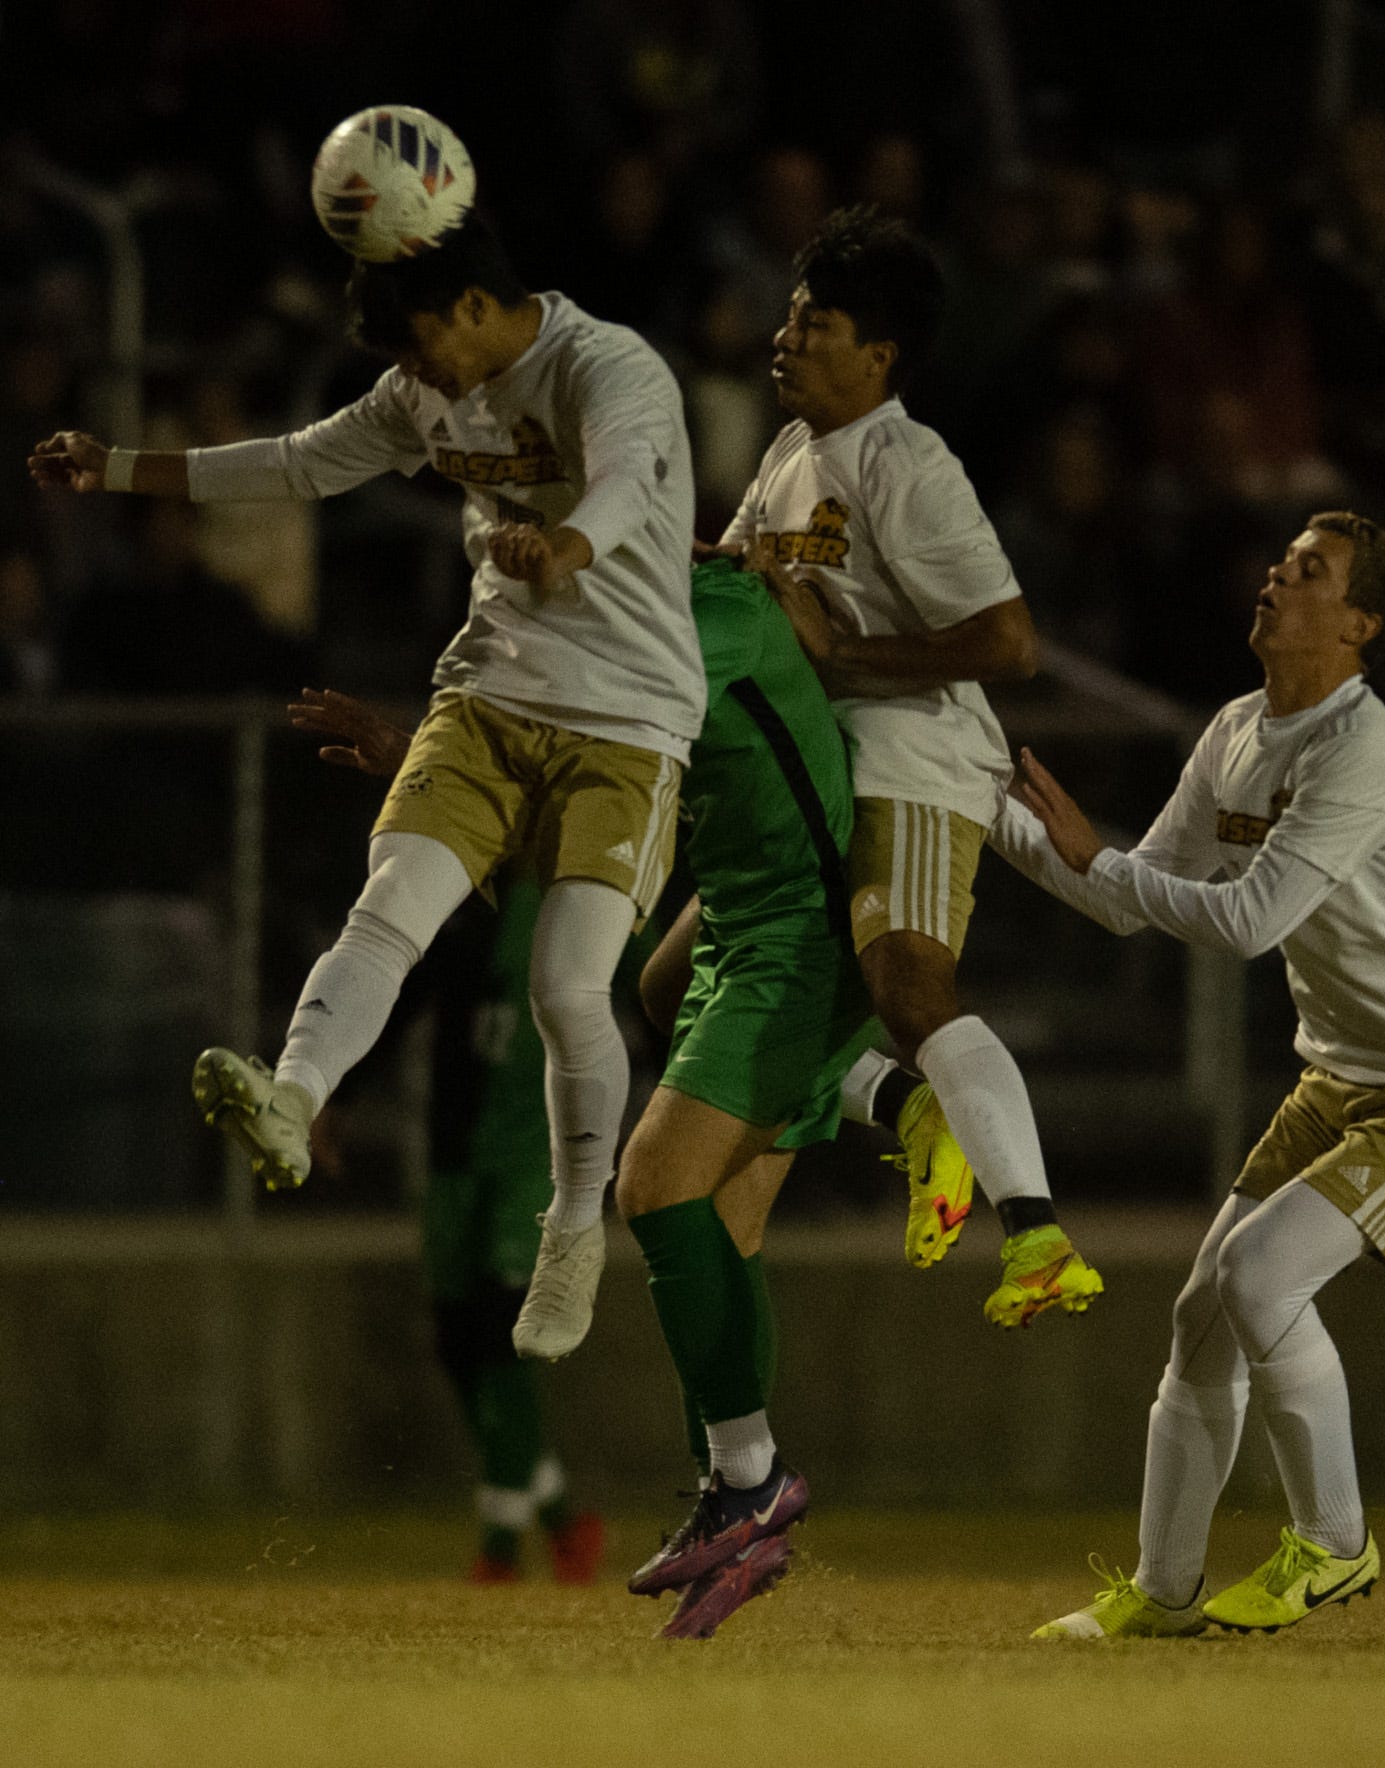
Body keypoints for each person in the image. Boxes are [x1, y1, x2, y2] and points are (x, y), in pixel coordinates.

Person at [29, 217, 706, 1362]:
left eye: (422, 347)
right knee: (389, 897)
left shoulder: (606, 363)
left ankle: (576, 1227)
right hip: (486, 696)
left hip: (628, 717)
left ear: (478, 307)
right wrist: (121, 466)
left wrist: (569, 551)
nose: (412, 378)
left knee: (563, 985)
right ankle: (290, 1096)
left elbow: (632, 482)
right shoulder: (421, 390)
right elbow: (299, 459)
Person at [298, 556, 946, 1640]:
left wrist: (450, 750)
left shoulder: (713, 613)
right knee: (722, 1228)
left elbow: (614, 738)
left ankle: (747, 1479)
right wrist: (427, 763)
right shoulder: (653, 615)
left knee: (650, 1185)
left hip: (795, 926)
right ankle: (739, 1514)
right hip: (736, 925)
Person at [996, 511, 1385, 1638]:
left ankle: (1335, 1546)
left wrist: (1100, 858)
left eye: (1308, 572)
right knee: (1204, 1309)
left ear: (1356, 626)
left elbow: (1245, 922)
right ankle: (1163, 1591)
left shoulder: (1364, 747)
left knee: (1254, 1281)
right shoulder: (1238, 726)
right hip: (1341, 1074)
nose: (1274, 577)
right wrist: (980, 812)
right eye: (1280, 561)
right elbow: (1122, 897)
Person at [724, 206, 1101, 1326]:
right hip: (821, 765)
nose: (784, 338)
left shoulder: (907, 464)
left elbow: (1008, 641)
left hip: (915, 760)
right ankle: (905, 1111)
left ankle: (1033, 1231)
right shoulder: (791, 454)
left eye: (815, 322)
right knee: (666, 990)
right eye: (789, 317)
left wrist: (843, 652)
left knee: (906, 982)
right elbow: (749, 589)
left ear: (878, 355)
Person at [290, 688, 636, 1587]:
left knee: (501, 1332)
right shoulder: (467, 908)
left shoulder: (594, 906)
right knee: (458, 1342)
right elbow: (399, 997)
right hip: (452, 1146)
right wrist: (336, 1093)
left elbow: (645, 1011)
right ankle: (562, 1518)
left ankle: (497, 1545)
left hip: (532, 1155)